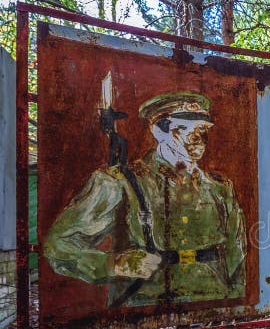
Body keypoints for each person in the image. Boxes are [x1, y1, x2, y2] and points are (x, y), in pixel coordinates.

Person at [44, 92, 246, 307]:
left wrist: (236, 298)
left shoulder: (219, 188)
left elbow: (236, 253)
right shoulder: (118, 181)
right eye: (185, 128)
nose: (198, 138)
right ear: (160, 131)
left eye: (203, 129)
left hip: (211, 300)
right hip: (144, 305)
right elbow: (59, 245)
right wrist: (115, 264)